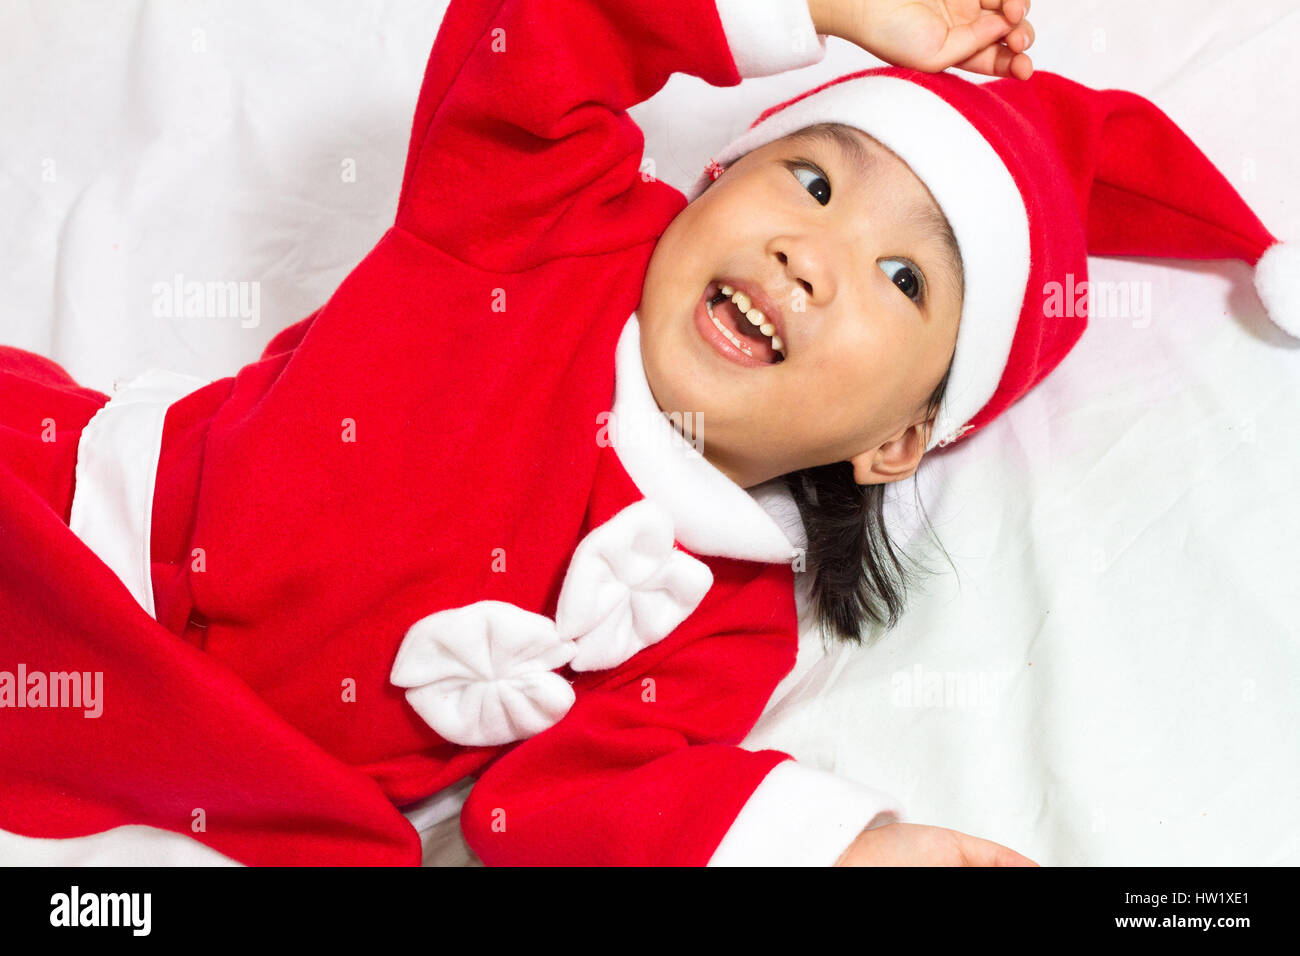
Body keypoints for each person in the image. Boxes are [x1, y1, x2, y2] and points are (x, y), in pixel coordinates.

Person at [2, 0, 1293, 867]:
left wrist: (847, 846)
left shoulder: (731, 611)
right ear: (713, 184)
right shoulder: (537, 219)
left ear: (900, 441)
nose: (812, 254)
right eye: (814, 179)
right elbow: (535, 31)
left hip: (235, 775)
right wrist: (829, 9)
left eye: (906, 282)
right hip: (86, 524)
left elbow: (560, 810)